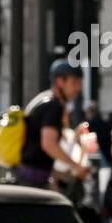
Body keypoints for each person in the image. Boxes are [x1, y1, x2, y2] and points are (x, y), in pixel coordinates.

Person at [18, 60, 91, 189]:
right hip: (33, 181)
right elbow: (48, 144)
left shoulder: (42, 99)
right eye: (74, 82)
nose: (78, 88)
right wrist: (75, 166)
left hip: (27, 175)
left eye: (80, 83)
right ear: (59, 82)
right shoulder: (54, 106)